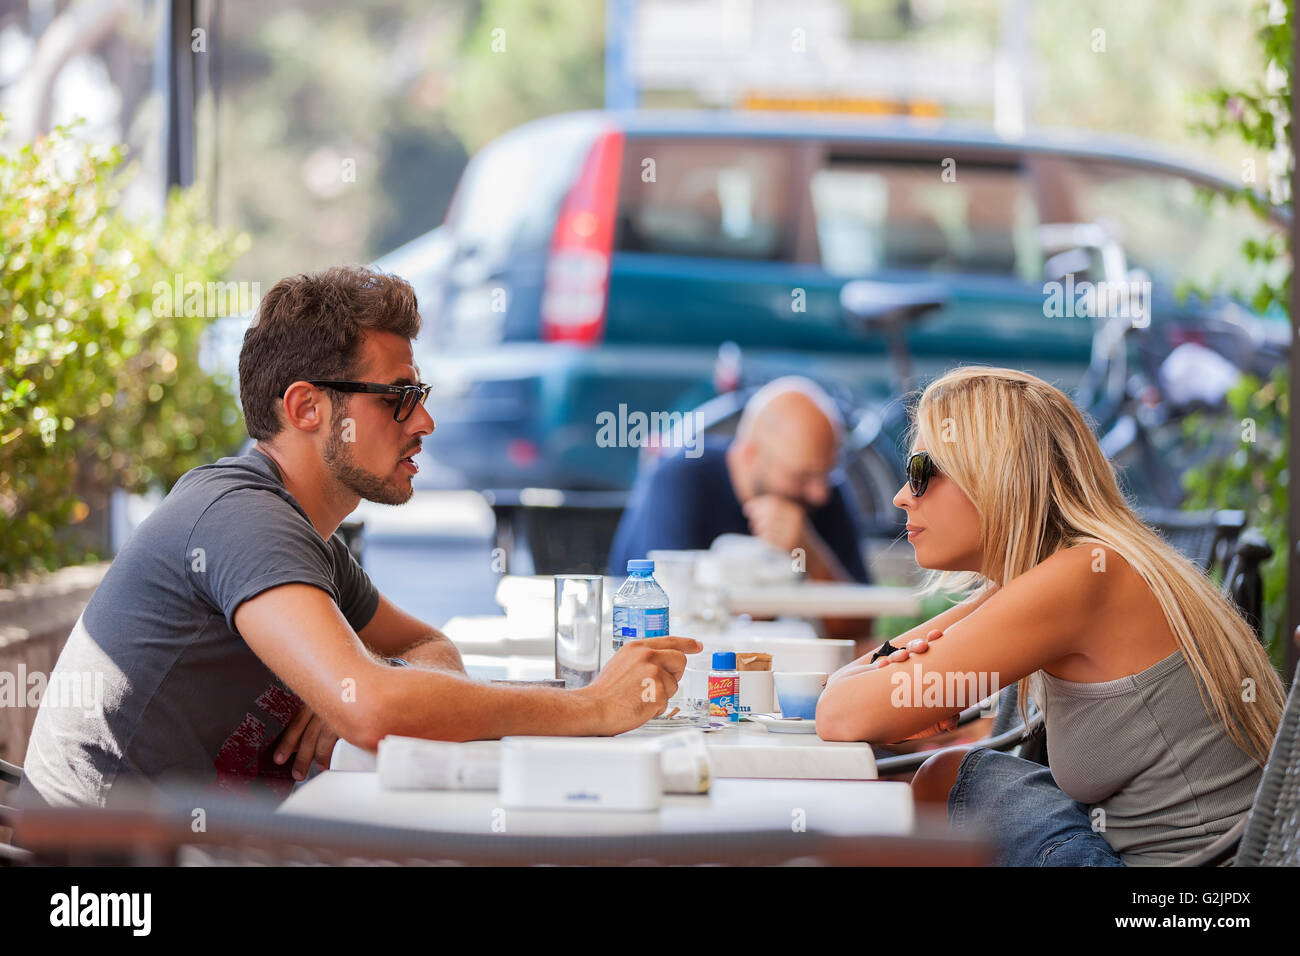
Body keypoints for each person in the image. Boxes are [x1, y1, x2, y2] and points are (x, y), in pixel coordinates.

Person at [19, 266, 699, 809]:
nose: (425, 420)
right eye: (397, 396)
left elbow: (428, 650)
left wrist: (352, 688)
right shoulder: (239, 517)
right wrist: (591, 706)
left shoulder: (308, 539)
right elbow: (373, 711)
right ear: (307, 407)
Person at [817, 366, 1284, 866]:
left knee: (954, 780)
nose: (902, 495)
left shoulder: (1084, 576)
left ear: (993, 476)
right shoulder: (1085, 566)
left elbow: (839, 712)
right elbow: (846, 701)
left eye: (921, 470)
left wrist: (901, 689)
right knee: (948, 778)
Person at [606, 376, 872, 640]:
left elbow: (859, 630)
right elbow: (663, 612)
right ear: (750, 455)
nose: (819, 493)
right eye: (802, 477)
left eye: (826, 474)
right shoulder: (680, 479)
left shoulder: (827, 490)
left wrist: (809, 552)